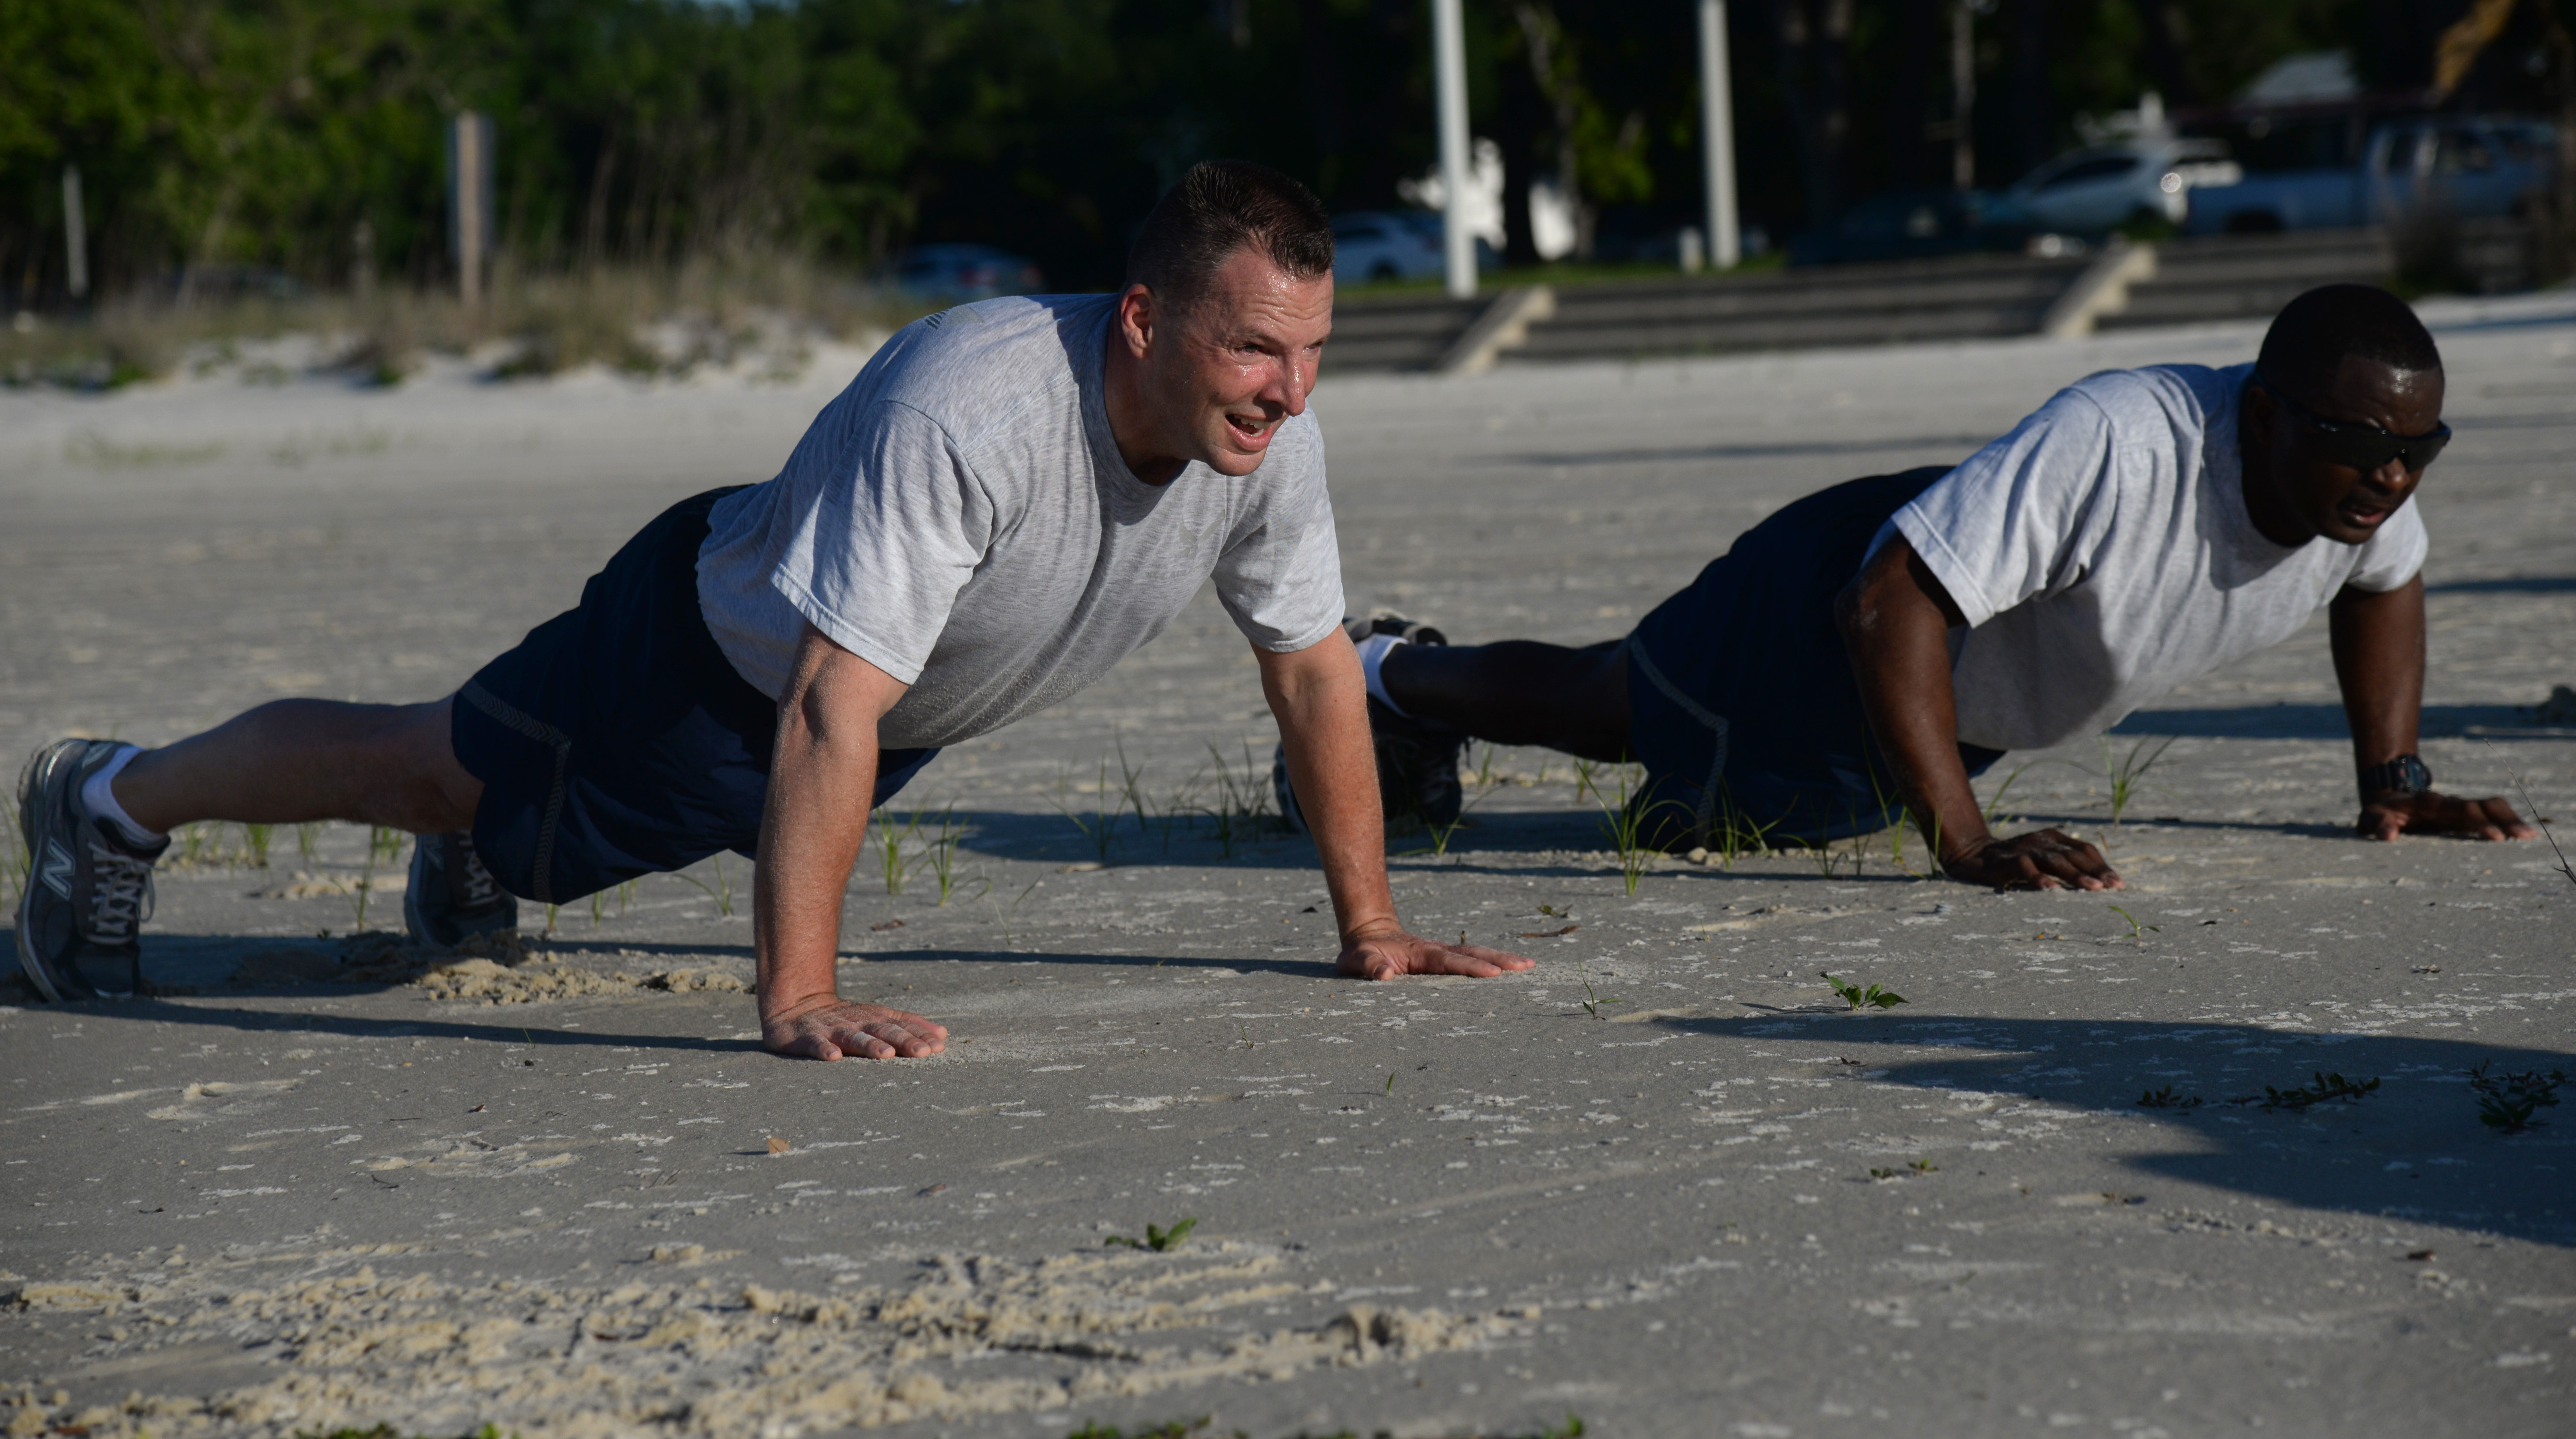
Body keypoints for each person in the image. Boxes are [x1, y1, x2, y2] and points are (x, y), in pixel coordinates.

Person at [15, 160, 1533, 1034]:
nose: (1290, 389)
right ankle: (112, 797)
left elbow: (1321, 671)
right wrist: (797, 997)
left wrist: (1372, 923)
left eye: (1315, 349)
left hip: (860, 714)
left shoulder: (1267, 447)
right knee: (429, 768)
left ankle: (477, 850)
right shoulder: (977, 409)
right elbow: (827, 696)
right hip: (699, 663)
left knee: (489, 813)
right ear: (1145, 316)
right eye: (1258, 347)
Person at [1291, 284, 2536, 889]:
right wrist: (1967, 844)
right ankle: (1380, 674)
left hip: (1948, 674)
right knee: (1617, 712)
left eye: (2418, 451)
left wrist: (2397, 784)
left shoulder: (2362, 491)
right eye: (2356, 444)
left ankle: (1396, 674)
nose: (2387, 476)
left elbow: (2388, 583)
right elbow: (1889, 605)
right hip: (1841, 599)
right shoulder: (2126, 441)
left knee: (1640, 722)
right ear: (2262, 415)